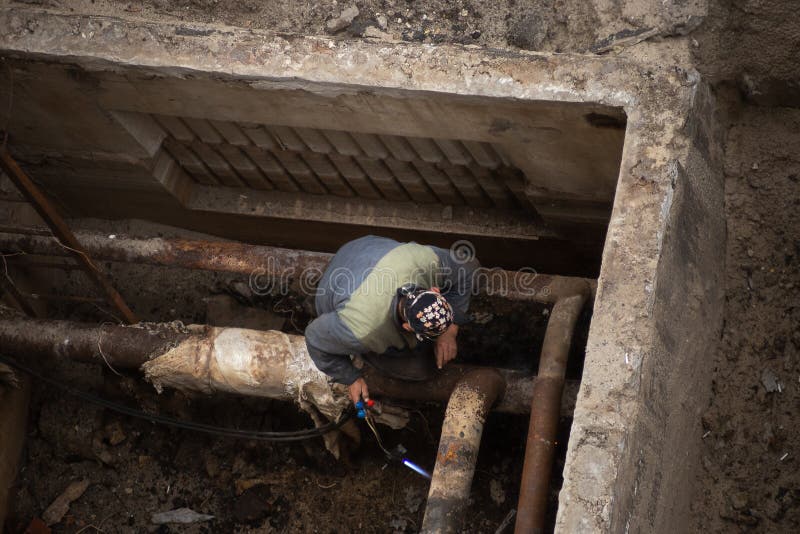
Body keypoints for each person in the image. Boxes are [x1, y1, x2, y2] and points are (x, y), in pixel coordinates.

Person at [305, 235, 479, 405]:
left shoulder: (426, 262)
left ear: (435, 291)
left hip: (360, 248)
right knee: (420, 369)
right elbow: (314, 338)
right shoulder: (364, 330)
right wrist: (350, 377)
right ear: (408, 328)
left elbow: (469, 266)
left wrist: (450, 330)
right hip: (330, 296)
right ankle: (365, 354)